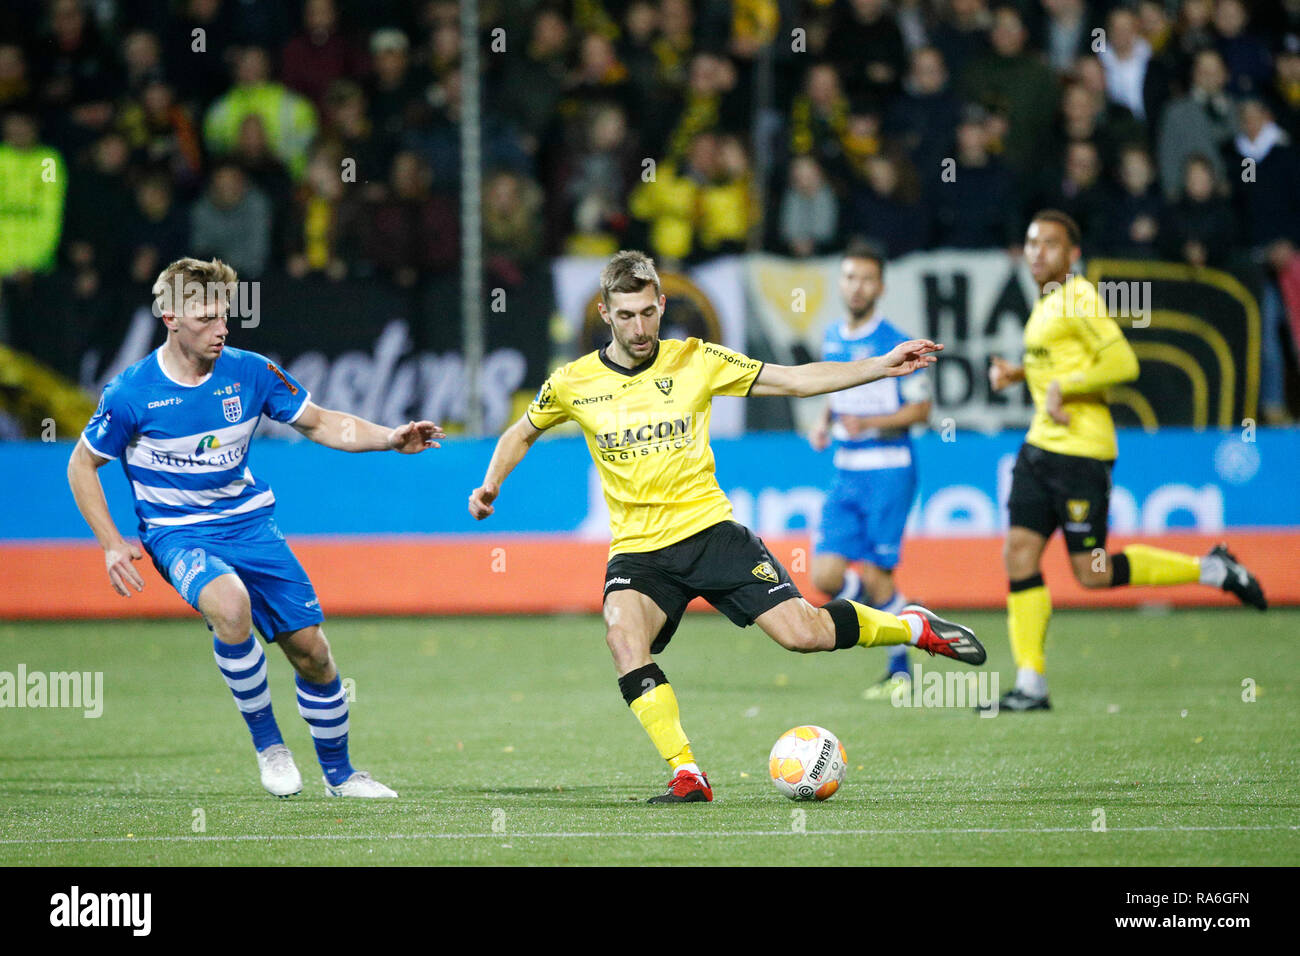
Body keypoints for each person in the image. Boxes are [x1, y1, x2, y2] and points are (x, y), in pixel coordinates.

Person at [468, 250, 984, 803]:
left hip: (712, 534)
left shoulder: (696, 359)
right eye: (626, 316)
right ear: (604, 312)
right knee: (623, 638)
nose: (639, 328)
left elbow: (792, 381)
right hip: (640, 554)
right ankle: (687, 773)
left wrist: (880, 365)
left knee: (803, 635)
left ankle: (912, 628)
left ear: (663, 305)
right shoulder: (574, 382)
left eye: (648, 313)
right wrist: (490, 485)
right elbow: (521, 432)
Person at [67, 257, 443, 797]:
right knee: (230, 605)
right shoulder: (131, 393)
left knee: (313, 653)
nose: (220, 329)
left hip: (251, 527)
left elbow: (320, 421)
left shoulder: (250, 371)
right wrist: (110, 543)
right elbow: (81, 464)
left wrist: (390, 437)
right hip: (178, 535)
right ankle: (270, 746)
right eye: (205, 318)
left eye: (224, 316)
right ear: (170, 317)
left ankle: (341, 775)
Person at [984, 211, 1266, 712]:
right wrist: (1019, 373)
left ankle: (1211, 570)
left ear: (1073, 254)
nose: (1036, 252)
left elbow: (1122, 363)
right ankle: (1032, 683)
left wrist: (1060, 387)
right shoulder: (1049, 302)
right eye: (1030, 242)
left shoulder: (1079, 296)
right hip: (1038, 450)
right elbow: (1061, 362)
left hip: (1081, 455)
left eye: (1049, 244)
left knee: (1091, 572)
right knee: (1018, 555)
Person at [809, 241, 930, 698]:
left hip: (889, 471)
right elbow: (832, 388)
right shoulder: (832, 336)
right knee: (823, 577)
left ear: (879, 285)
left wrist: (871, 423)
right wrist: (824, 422)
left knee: (878, 578)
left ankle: (901, 669)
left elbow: (921, 410)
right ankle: (895, 607)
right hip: (845, 469)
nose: (856, 286)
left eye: (865, 278)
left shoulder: (894, 341)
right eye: (848, 277)